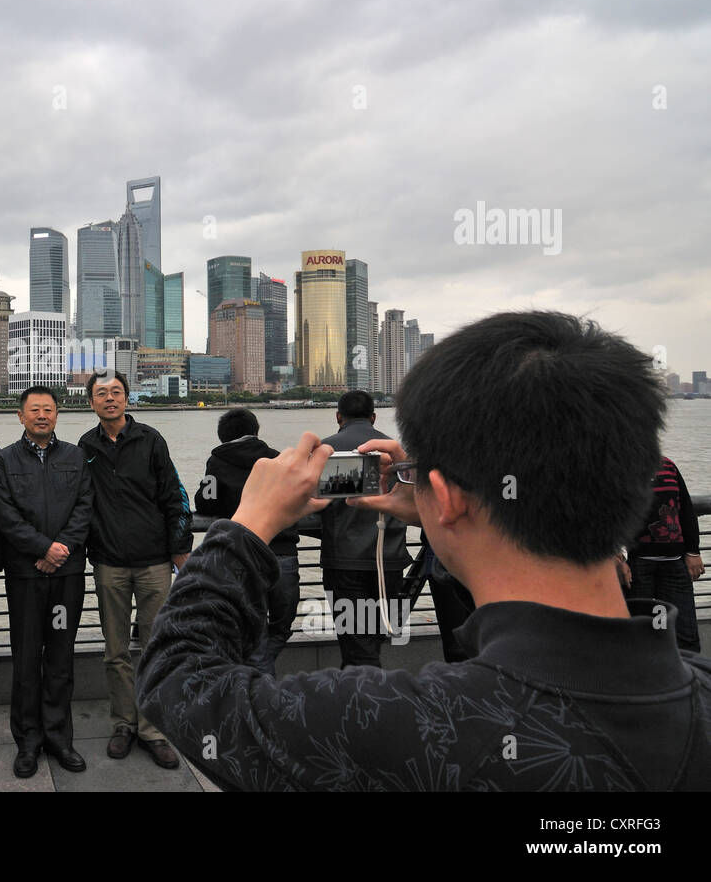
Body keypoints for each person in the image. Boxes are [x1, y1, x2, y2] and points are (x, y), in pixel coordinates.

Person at [137, 311, 711, 790]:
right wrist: (445, 506)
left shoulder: (397, 723)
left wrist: (249, 525)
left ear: (445, 496)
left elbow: (176, 680)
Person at [79, 370, 191, 769]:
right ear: (91, 402)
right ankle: (123, 724)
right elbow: (81, 504)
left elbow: (176, 496)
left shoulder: (151, 440)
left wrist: (179, 550)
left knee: (155, 648)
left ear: (127, 399)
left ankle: (153, 729)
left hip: (154, 563)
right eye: (101, 394)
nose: (109, 399)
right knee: (115, 651)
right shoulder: (86, 446)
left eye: (116, 392)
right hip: (108, 562)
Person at [0, 386, 93, 778]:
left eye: (48, 410)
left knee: (60, 657)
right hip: (26, 574)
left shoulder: (76, 456)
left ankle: (59, 738)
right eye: (33, 409)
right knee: (26, 658)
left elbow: (85, 506)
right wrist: (41, 548)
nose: (41, 415)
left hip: (66, 574)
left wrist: (61, 548)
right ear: (20, 416)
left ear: (57, 415)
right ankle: (28, 742)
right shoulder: (4, 460)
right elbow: (5, 515)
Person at [194, 407, 301, 671]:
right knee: (282, 625)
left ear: (222, 436)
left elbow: (206, 502)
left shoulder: (217, 462)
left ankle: (255, 673)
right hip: (283, 552)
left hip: (241, 554)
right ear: (256, 431)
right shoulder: (278, 460)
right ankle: (260, 672)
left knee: (248, 627)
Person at [311, 390, 411, 668]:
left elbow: (314, 505)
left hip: (344, 562)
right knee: (374, 640)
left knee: (356, 645)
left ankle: (366, 701)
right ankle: (366, 697)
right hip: (389, 561)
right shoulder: (395, 452)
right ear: (374, 416)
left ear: (338, 417)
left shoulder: (325, 451)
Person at [620, 456, 704, 652]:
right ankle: (644, 679)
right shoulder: (620, 470)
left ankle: (689, 678)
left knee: (686, 636)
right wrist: (618, 558)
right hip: (637, 567)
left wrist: (693, 551)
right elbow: (609, 518)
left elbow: (686, 511)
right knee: (638, 635)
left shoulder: (669, 466)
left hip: (675, 564)